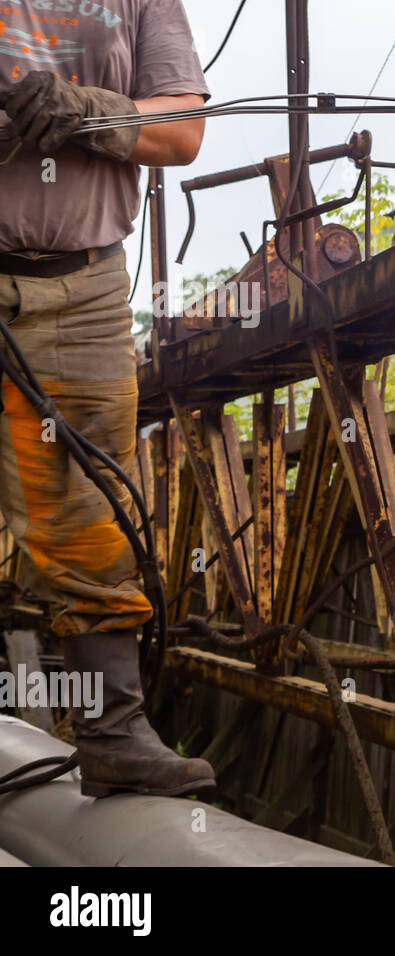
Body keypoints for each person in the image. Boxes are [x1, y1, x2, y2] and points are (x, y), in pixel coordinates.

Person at [0, 1, 214, 797]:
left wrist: (85, 113)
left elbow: (183, 131)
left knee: (91, 514)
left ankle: (113, 732)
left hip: (81, 291)